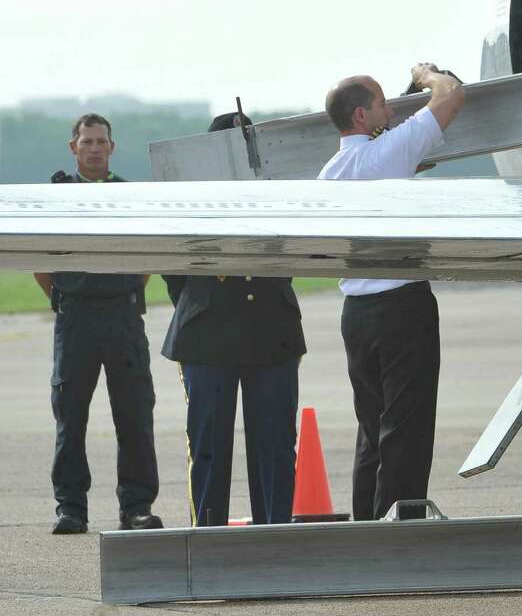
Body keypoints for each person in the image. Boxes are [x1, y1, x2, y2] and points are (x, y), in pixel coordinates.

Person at [316, 64, 465, 521]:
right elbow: (452, 95)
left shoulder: (332, 170)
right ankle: (399, 531)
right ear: (362, 116)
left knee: (373, 427)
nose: (392, 108)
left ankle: (366, 524)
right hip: (401, 307)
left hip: (356, 312)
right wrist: (427, 76)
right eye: (382, 102)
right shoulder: (386, 155)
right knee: (407, 427)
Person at [161, 112, 306, 527]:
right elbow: (174, 266)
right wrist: (200, 304)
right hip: (207, 335)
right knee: (208, 445)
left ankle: (274, 536)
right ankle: (207, 538)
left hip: (271, 329)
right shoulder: (190, 197)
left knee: (276, 446)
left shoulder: (276, 191)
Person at [33, 113, 162, 534]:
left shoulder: (129, 197)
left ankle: (137, 506)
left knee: (134, 414)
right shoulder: (56, 198)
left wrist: (123, 291)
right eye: (86, 141)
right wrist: (65, 297)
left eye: (100, 141)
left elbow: (146, 260)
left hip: (122, 315)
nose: (93, 148)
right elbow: (39, 263)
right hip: (76, 317)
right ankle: (71, 507)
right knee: (70, 416)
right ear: (73, 147)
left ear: (112, 147)